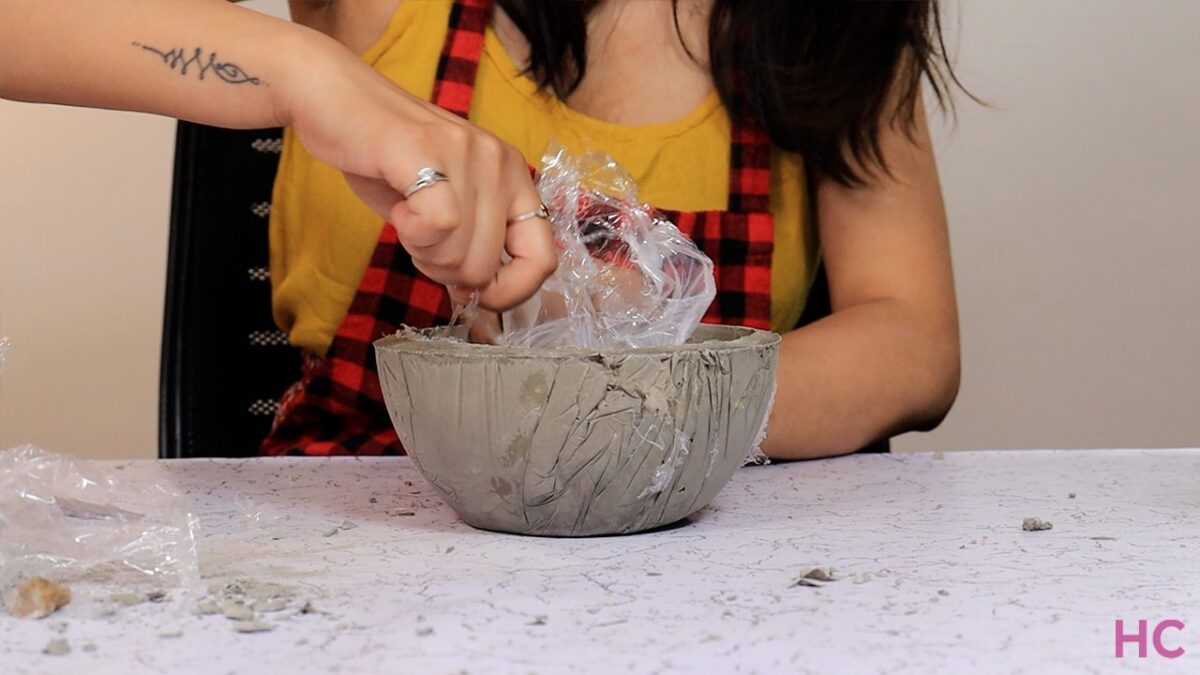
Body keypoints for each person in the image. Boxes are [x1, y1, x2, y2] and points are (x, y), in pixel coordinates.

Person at [1, 0, 962, 461]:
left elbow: (912, 339)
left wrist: (649, 401)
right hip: (369, 554)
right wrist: (303, 67)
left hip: (702, 527)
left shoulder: (831, 30)